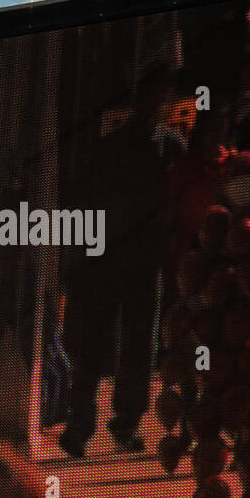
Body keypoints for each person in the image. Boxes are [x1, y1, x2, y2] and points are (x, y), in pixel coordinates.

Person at [58, 61, 181, 458]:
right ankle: (80, 425)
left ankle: (126, 422)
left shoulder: (172, 146)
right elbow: (84, 197)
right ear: (138, 100)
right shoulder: (111, 147)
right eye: (151, 97)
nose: (156, 106)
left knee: (139, 346)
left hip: (147, 262)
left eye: (163, 99)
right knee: (94, 343)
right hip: (107, 258)